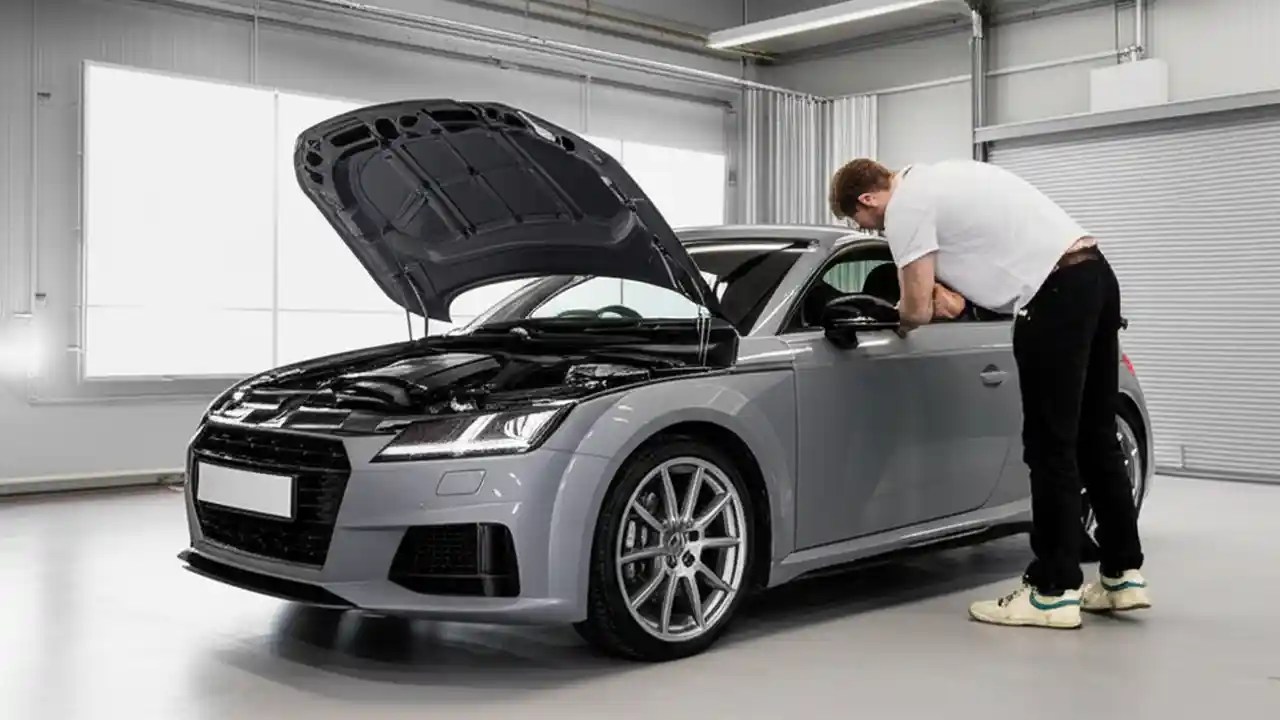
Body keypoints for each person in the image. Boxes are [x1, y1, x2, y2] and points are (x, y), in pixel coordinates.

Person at [828, 158, 1149, 629]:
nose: (871, 231)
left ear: (868, 199)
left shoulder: (906, 208)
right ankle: (1123, 575)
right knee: (1093, 435)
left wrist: (899, 314)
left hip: (1052, 293)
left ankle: (1053, 590)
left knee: (1049, 444)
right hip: (1095, 276)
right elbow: (955, 298)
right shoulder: (936, 176)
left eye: (861, 221)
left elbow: (915, 309)